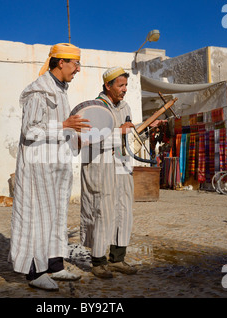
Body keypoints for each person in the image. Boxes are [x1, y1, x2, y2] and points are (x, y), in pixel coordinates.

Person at [9, 43, 91, 291]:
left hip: (55, 169)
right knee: (36, 219)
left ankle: (55, 266)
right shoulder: (39, 93)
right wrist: (64, 125)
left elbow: (61, 129)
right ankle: (35, 272)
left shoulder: (61, 91)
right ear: (61, 62)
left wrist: (75, 136)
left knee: (55, 218)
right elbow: (30, 130)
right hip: (38, 170)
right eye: (75, 63)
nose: (77, 69)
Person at [80, 66, 138, 278]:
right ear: (108, 86)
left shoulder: (124, 106)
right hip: (100, 163)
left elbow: (126, 131)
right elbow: (90, 137)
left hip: (121, 161)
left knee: (123, 207)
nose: (124, 89)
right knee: (102, 209)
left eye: (126, 85)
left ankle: (118, 258)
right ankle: (98, 262)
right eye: (120, 85)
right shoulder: (96, 107)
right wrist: (119, 131)